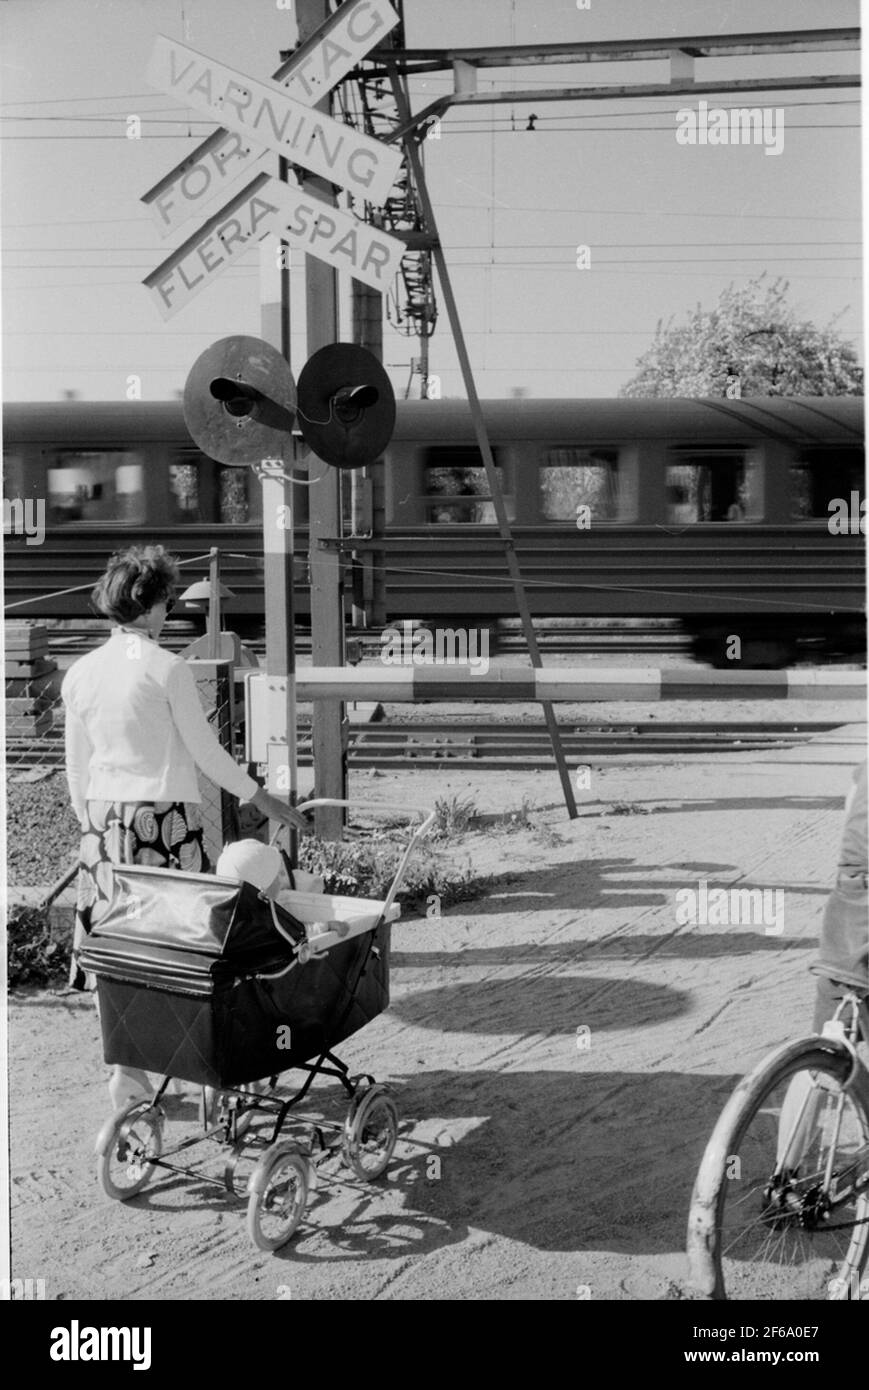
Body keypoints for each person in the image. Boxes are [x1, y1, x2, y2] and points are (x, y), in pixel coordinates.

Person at [61, 544, 307, 1111]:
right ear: (148, 606)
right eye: (168, 600)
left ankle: (126, 1073)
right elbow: (208, 755)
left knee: (120, 953)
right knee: (183, 951)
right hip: (163, 824)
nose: (171, 610)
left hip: (101, 826)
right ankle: (197, 1067)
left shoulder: (81, 674)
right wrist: (265, 801)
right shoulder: (167, 669)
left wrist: (94, 828)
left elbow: (77, 766)